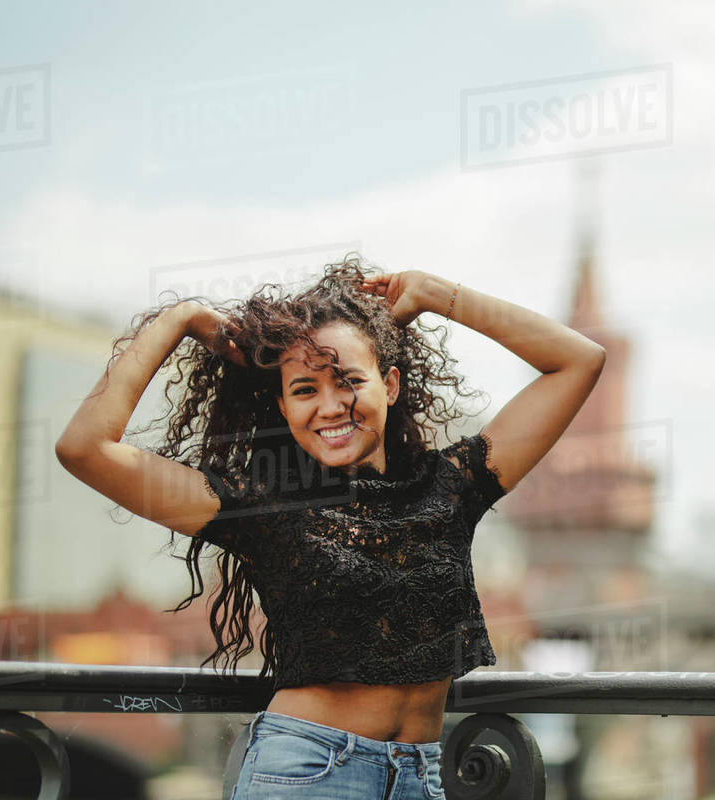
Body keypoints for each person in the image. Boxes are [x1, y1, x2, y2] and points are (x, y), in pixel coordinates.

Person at [54, 256, 606, 798]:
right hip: (306, 772)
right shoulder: (261, 506)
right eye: (304, 390)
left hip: (424, 776)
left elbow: (578, 361)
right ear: (284, 406)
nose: (330, 406)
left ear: (388, 385)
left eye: (348, 381)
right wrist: (181, 320)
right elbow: (84, 449)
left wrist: (437, 294)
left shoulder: (452, 485)